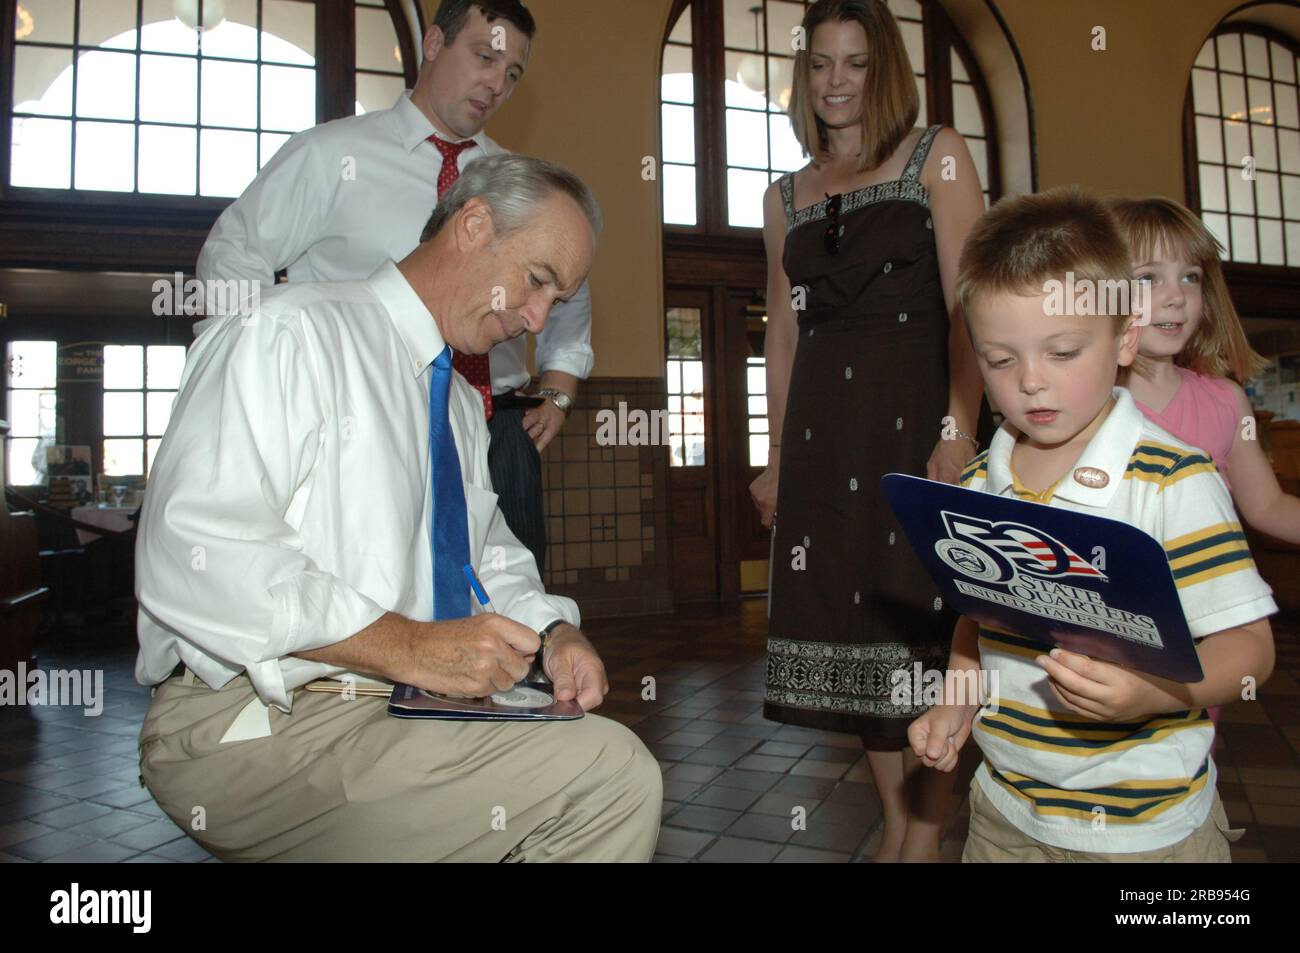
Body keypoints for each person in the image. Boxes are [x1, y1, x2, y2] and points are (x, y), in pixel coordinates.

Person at [135, 155, 662, 863]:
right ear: (473, 225)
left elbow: (488, 552)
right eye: (538, 281)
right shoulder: (288, 333)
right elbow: (193, 556)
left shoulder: (457, 407)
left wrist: (552, 630)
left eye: (556, 302)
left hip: (386, 703)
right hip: (252, 712)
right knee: (610, 778)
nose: (537, 319)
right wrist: (407, 646)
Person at [909, 186, 1277, 862]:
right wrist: (956, 702)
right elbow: (978, 617)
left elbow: (1251, 647)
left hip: (1151, 832)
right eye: (1001, 358)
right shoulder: (977, 483)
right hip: (1006, 813)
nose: (1031, 382)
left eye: (1062, 351)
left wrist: (1155, 690)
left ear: (1124, 337)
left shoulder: (1173, 480)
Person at [196, 0, 588, 574]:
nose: (496, 85)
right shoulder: (331, 155)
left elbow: (568, 290)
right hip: (361, 423)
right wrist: (255, 370)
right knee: (373, 591)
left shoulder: (519, 185)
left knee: (512, 611)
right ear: (433, 43)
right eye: (485, 57)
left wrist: (560, 388)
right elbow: (233, 254)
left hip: (497, 431)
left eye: (511, 74)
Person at [749, 0, 985, 862]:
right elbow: (782, 334)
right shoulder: (782, 196)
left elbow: (971, 309)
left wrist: (959, 429)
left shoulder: (939, 156)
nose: (837, 81)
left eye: (855, 63)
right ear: (803, 74)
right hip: (822, 444)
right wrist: (776, 458)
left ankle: (920, 837)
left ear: (884, 70)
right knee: (853, 654)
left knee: (915, 637)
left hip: (913, 428)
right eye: (820, 64)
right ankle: (901, 826)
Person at [1111, 197, 1300, 542]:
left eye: (1190, 277)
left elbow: (1267, 505)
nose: (1177, 296)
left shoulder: (1230, 403)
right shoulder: (1085, 402)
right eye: (1149, 278)